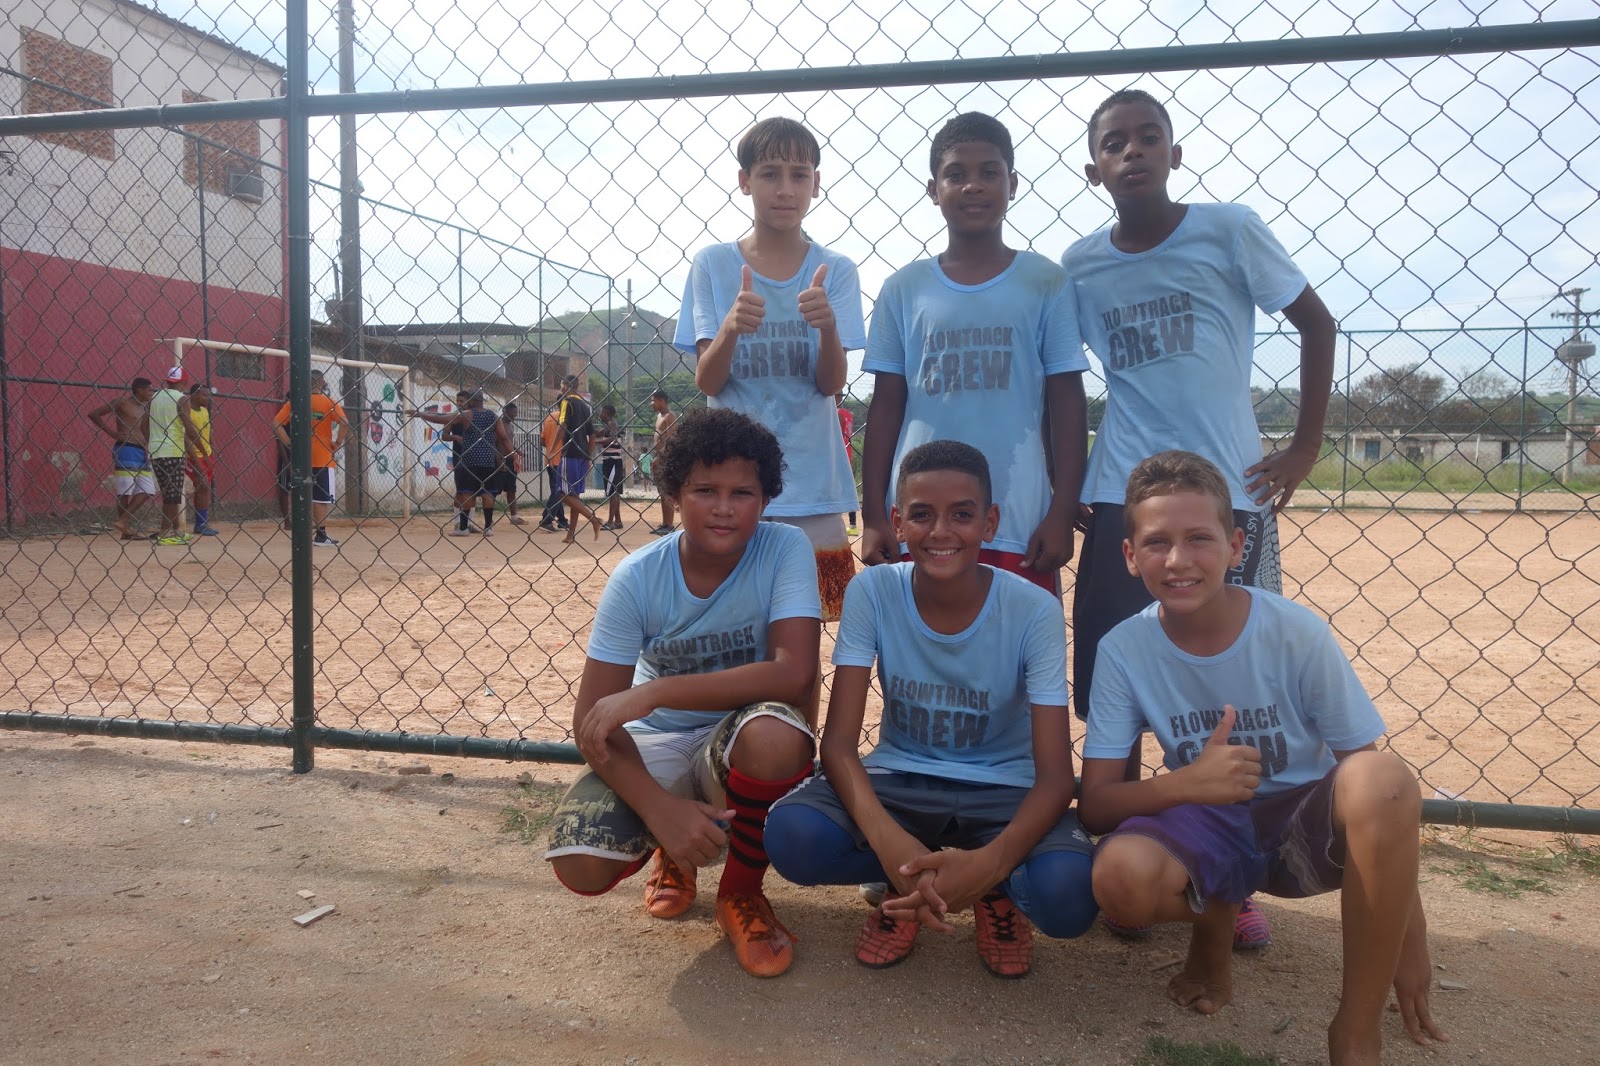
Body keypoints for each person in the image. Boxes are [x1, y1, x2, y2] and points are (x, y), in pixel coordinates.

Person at [1061, 87, 1338, 949]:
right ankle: (1137, 841)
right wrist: (1071, 482)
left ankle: (1231, 870)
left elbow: (1318, 323)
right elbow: (1060, 380)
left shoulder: (1228, 229)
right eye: (1115, 141)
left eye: (1150, 138)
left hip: (1230, 499)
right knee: (1118, 675)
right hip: (1121, 499)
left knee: (1229, 686)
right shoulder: (1080, 263)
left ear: (1174, 155)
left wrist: (1302, 449)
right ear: (1094, 166)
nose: (1133, 151)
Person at [1078, 450, 1446, 1065]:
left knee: (1383, 777)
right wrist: (1188, 782)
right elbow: (1096, 806)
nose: (1178, 560)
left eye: (1200, 538)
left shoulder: (1293, 631)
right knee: (1120, 878)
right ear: (1128, 555)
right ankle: (1216, 914)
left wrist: (1412, 934)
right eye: (1157, 542)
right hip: (1206, 815)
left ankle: (1355, 1031)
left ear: (1237, 545)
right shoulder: (1123, 649)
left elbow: (1380, 791)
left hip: (1303, 818)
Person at [766, 441, 1096, 978]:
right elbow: (840, 747)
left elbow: (1057, 779)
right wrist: (889, 839)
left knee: (1069, 897)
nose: (941, 531)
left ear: (990, 523)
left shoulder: (1032, 608)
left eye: (962, 514)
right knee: (793, 837)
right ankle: (912, 885)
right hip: (903, 779)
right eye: (921, 514)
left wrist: (990, 865)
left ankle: (991, 891)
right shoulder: (873, 591)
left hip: (1004, 790)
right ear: (897, 522)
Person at [543, 407, 820, 979]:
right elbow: (591, 723)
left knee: (774, 734)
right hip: (659, 744)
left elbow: (794, 673)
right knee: (580, 860)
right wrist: (658, 809)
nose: (723, 507)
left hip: (739, 735)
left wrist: (658, 689)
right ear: (673, 493)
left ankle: (739, 893)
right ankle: (675, 850)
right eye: (704, 490)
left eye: (742, 491)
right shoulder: (639, 577)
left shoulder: (783, 550)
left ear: (766, 499)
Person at [858, 112, 1089, 596]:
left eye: (989, 172)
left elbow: (1066, 400)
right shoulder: (903, 289)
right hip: (922, 519)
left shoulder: (1045, 281)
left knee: (1016, 654)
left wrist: (1061, 510)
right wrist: (877, 514)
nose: (973, 186)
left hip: (1018, 517)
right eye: (956, 174)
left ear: (1013, 183)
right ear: (932, 188)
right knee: (921, 654)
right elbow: (886, 406)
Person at [674, 116, 867, 620]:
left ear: (816, 185)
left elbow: (830, 384)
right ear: (745, 181)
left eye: (800, 175)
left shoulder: (836, 270)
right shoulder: (713, 265)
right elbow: (708, 380)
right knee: (732, 621)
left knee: (805, 625)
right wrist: (731, 327)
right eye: (770, 173)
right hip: (732, 483)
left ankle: (789, 706)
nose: (786, 189)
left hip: (814, 482)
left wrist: (827, 327)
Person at [411, 391, 513, 537]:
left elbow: (441, 418)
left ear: (470, 401)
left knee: (466, 492)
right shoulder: (491, 416)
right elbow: (502, 438)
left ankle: (465, 527)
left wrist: (420, 414)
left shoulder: (466, 415)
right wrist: (511, 455)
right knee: (481, 492)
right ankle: (481, 526)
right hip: (480, 460)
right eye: (458, 400)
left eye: (464, 400)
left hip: (469, 460)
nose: (460, 403)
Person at [273, 369, 349, 547]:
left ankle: (301, 532)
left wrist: (290, 443)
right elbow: (345, 423)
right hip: (322, 456)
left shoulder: (296, 402)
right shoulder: (329, 402)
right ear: (322, 383)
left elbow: (275, 423)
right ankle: (321, 535)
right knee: (321, 498)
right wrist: (337, 442)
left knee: (302, 493)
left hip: (301, 456)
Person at [87, 377, 155, 540]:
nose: (151, 393)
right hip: (126, 449)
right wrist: (112, 433)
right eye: (149, 390)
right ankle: (125, 529)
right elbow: (94, 414)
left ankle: (123, 520)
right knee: (125, 491)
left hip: (142, 451)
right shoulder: (122, 403)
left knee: (148, 490)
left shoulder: (147, 407)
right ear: (139, 390)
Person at [148, 367, 202, 546]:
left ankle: (177, 530)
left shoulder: (154, 398)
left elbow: (143, 426)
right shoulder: (181, 398)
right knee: (173, 494)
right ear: (184, 383)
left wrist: (153, 441)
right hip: (173, 450)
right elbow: (189, 428)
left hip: (156, 450)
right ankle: (164, 533)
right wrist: (203, 450)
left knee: (168, 492)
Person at [555, 375, 602, 543]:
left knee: (561, 493)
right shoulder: (585, 405)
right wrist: (589, 457)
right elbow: (593, 436)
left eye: (561, 385)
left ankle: (593, 519)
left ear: (566, 385)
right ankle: (571, 534)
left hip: (570, 452)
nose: (560, 388)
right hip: (583, 454)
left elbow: (562, 427)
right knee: (573, 494)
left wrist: (553, 449)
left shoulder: (566, 401)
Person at [185, 383, 220, 536]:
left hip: (207, 454)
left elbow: (208, 430)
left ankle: (202, 523)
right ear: (194, 395)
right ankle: (200, 524)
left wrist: (213, 446)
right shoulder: (187, 411)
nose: (208, 398)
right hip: (194, 456)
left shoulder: (205, 411)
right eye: (204, 395)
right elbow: (186, 436)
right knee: (202, 486)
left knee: (203, 488)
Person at [537, 382, 569, 533]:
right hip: (561, 459)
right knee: (559, 491)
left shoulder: (549, 417)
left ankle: (562, 520)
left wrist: (551, 445)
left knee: (557, 490)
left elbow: (542, 440)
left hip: (549, 458)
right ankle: (546, 519)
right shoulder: (565, 418)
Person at [646, 388, 676, 535]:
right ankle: (665, 523)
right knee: (662, 492)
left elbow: (670, 440)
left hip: (665, 458)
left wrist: (660, 457)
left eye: (653, 400)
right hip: (658, 456)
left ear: (661, 401)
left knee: (667, 492)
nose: (651, 403)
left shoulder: (670, 416)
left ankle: (669, 525)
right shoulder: (659, 415)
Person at [496, 401, 527, 526]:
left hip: (510, 459)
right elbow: (495, 443)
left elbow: (508, 442)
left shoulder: (511, 426)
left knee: (511, 489)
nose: (515, 415)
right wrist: (498, 460)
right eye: (513, 412)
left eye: (516, 412)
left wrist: (516, 451)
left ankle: (514, 517)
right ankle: (489, 517)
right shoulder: (498, 424)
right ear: (505, 411)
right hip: (499, 459)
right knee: (494, 490)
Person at [596, 403, 626, 531]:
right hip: (609, 461)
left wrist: (596, 442)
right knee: (614, 492)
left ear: (607, 413)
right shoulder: (607, 426)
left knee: (612, 492)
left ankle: (610, 522)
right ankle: (617, 521)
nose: (600, 414)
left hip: (613, 461)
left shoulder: (611, 424)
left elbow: (613, 439)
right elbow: (597, 434)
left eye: (602, 412)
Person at [836, 392, 857, 534]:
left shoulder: (837, 413)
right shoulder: (848, 414)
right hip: (847, 452)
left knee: (835, 489)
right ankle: (853, 525)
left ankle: (840, 523)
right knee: (848, 488)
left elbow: (834, 433)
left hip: (837, 455)